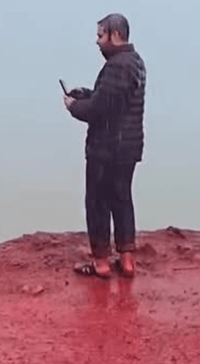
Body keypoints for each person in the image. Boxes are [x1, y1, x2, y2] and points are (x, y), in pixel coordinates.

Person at [63, 13, 146, 278]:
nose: (97, 41)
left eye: (101, 35)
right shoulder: (136, 62)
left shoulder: (116, 66)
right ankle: (127, 260)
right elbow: (113, 100)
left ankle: (101, 262)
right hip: (129, 147)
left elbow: (99, 110)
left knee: (98, 201)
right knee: (122, 198)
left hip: (107, 147)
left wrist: (74, 106)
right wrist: (87, 94)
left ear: (116, 35)